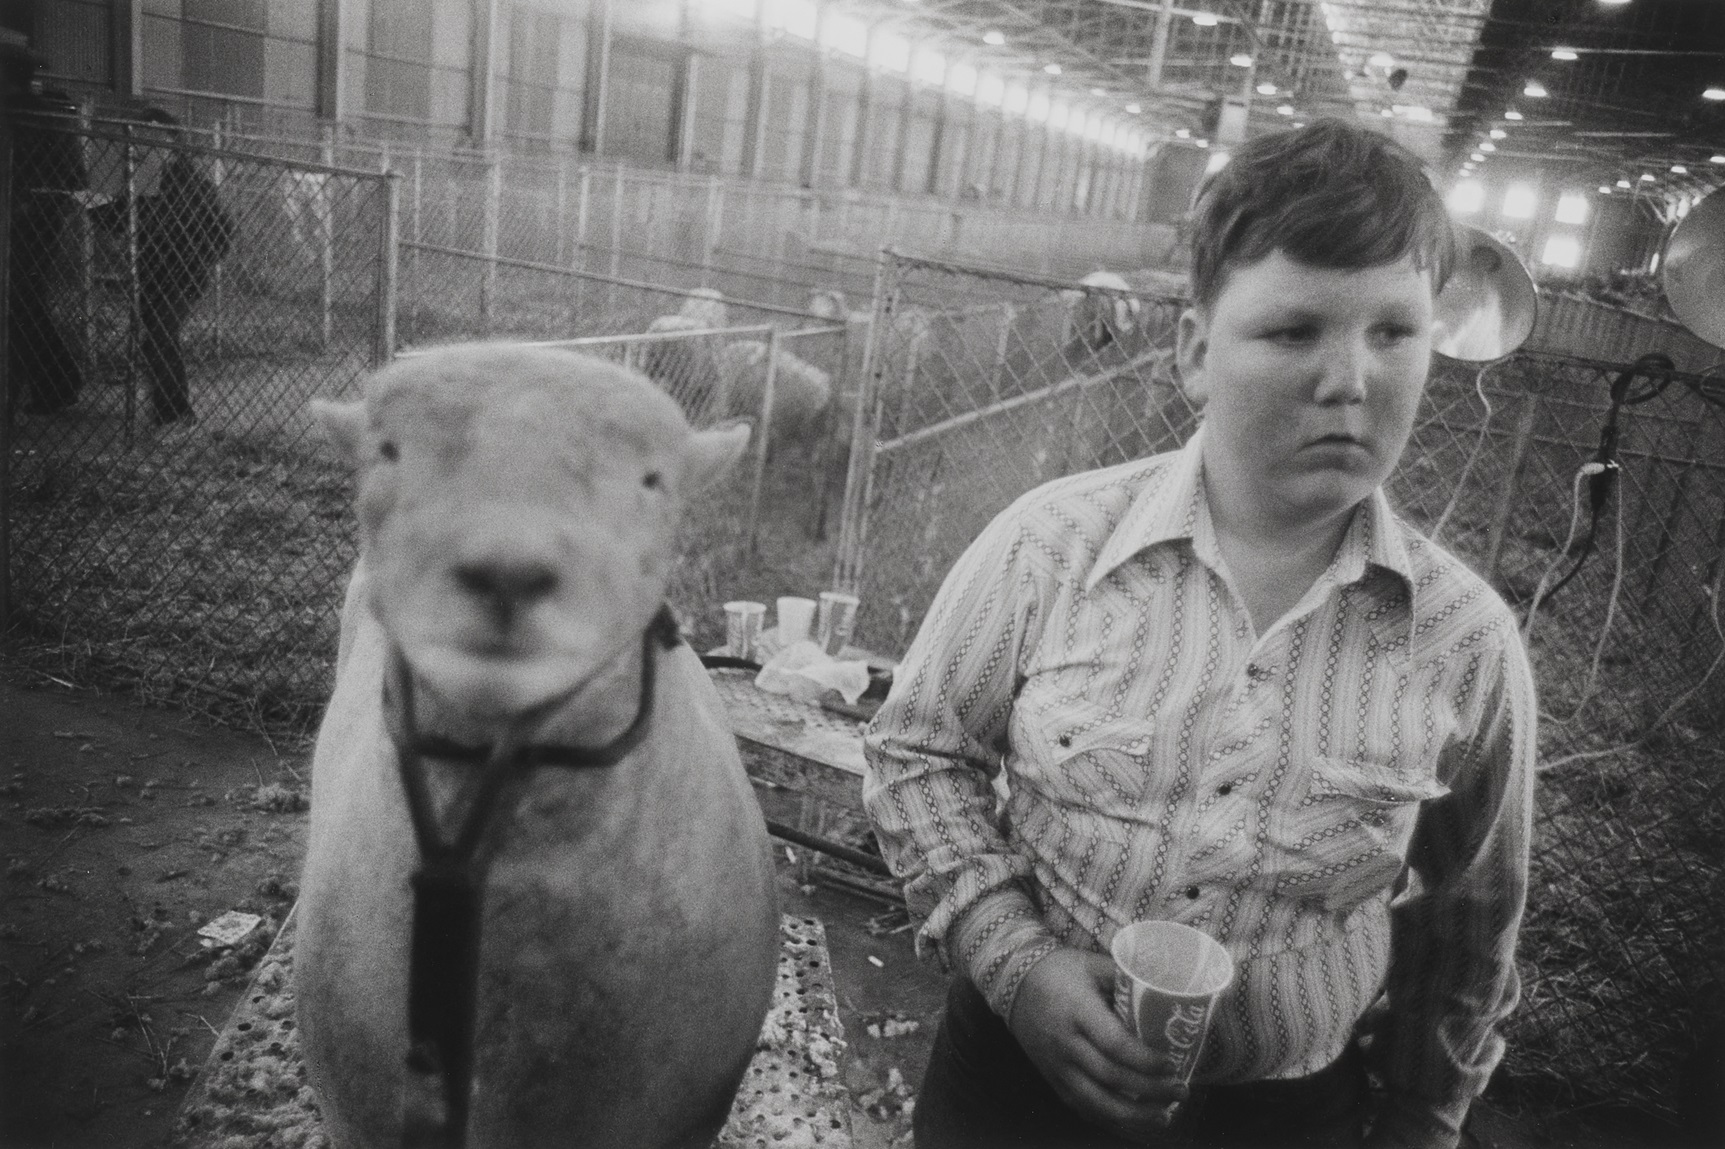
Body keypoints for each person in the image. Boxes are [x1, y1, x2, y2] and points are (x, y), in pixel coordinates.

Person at [863, 119, 1536, 1149]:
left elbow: (1467, 923)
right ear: (1193, 352)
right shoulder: (1052, 546)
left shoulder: (1464, 642)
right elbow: (920, 752)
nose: (1350, 380)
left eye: (1393, 332)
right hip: (1013, 1084)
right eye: (1293, 330)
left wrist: (1420, 1122)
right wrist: (1017, 961)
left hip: (1290, 1118)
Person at [92, 108, 233, 424]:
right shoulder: (140, 182)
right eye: (143, 139)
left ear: (173, 145)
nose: (147, 146)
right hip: (151, 273)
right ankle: (167, 410)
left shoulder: (193, 184)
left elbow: (223, 232)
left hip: (183, 276)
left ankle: (176, 413)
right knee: (155, 339)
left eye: (158, 139)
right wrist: (94, 196)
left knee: (158, 338)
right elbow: (114, 220)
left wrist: (194, 257)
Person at [4, 40, 89, 415]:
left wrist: (29, 200)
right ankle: (53, 382)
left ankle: (56, 381)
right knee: (22, 302)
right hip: (36, 214)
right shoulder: (44, 111)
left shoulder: (28, 113)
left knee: (20, 301)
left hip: (30, 216)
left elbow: (65, 173)